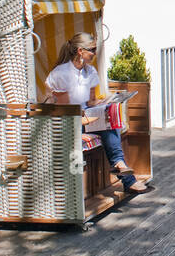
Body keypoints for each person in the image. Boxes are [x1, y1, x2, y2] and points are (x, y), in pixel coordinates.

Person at [45, 32, 139, 191]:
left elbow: (90, 102)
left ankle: (121, 168)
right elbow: (62, 111)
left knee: (110, 122)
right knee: (108, 126)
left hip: (85, 117)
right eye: (92, 50)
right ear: (80, 51)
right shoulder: (62, 74)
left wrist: (108, 101)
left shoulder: (90, 72)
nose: (95, 53)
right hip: (68, 121)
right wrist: (76, 131)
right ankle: (124, 173)